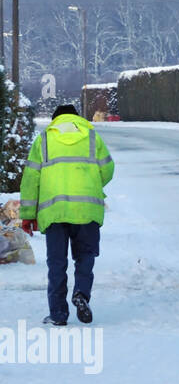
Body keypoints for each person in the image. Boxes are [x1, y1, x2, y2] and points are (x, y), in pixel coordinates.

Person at [18, 104, 114, 326]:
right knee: (85, 256)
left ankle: (59, 314)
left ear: (55, 120)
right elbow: (108, 169)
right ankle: (81, 293)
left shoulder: (44, 139)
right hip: (86, 209)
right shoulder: (91, 137)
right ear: (77, 118)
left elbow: (31, 179)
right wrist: (90, 184)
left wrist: (28, 215)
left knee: (57, 263)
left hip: (54, 212)